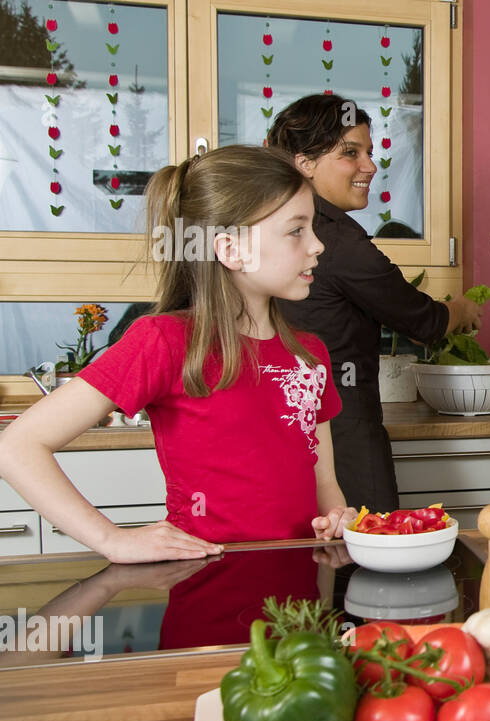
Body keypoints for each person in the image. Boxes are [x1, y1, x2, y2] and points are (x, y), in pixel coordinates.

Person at [0, 146, 355, 563]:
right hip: (204, 586)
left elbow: (325, 486)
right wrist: (113, 541)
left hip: (302, 590)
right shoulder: (164, 341)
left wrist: (338, 518)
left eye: (313, 227)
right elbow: (17, 446)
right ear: (231, 250)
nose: (317, 245)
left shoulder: (310, 355)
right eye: (296, 230)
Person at [267, 94, 483, 512]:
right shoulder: (339, 242)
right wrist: (461, 310)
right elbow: (424, 321)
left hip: (281, 428)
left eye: (369, 152)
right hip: (343, 430)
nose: (370, 166)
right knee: (367, 544)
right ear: (304, 163)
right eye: (351, 153)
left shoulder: (273, 230)